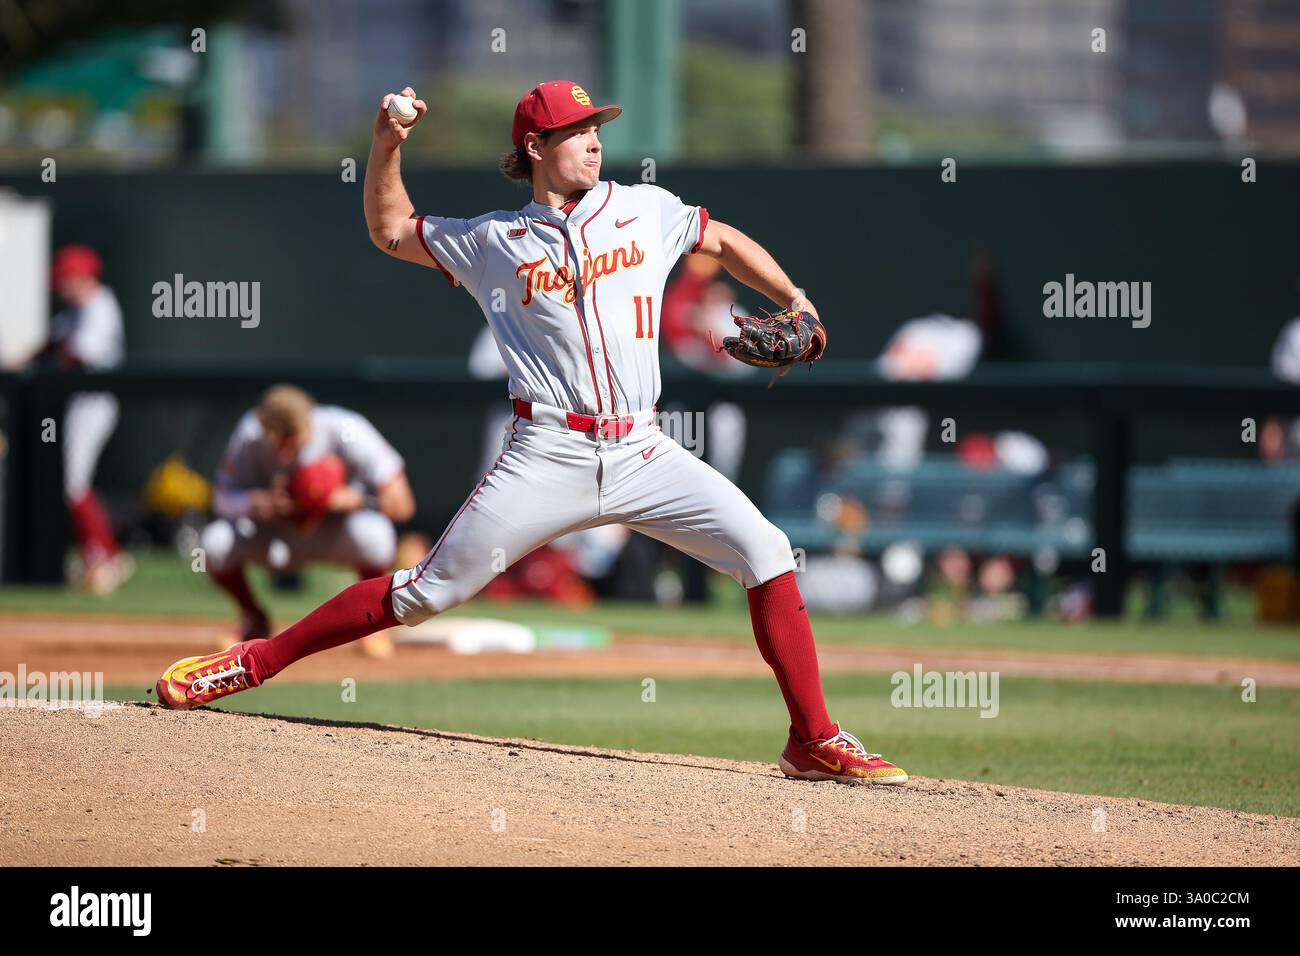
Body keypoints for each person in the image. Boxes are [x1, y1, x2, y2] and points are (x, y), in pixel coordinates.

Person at [155, 81, 907, 786]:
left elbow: (721, 240)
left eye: (595, 128)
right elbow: (389, 230)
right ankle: (252, 662)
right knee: (424, 594)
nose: (592, 141)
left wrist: (796, 300)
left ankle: (811, 739)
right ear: (535, 148)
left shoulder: (642, 208)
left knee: (768, 551)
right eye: (574, 131)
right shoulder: (495, 240)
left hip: (645, 447)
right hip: (549, 451)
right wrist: (386, 143)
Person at [200, 384, 415, 650]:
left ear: (310, 424)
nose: (284, 454)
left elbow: (403, 505)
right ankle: (253, 618)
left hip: (332, 532)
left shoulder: (345, 428)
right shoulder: (250, 432)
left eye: (292, 442)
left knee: (376, 537)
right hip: (275, 535)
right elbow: (220, 499)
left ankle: (371, 624)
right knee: (214, 542)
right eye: (277, 443)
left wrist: (353, 499)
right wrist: (254, 502)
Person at [31, 244, 132, 595]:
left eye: (67, 279)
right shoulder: (75, 312)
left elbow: (79, 353)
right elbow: (51, 345)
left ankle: (105, 555)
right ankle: (103, 553)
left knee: (72, 482)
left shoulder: (100, 306)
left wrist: (49, 356)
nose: (62, 287)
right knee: (74, 481)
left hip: (95, 401)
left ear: (84, 278)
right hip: (80, 402)